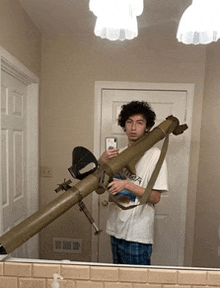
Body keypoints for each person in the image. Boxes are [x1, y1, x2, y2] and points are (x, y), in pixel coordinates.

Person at [99, 101, 168, 265]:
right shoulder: (119, 153)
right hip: (116, 229)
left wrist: (127, 185)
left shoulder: (155, 155)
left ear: (147, 127)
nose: (133, 128)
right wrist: (101, 162)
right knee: (119, 278)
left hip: (137, 234)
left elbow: (155, 197)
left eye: (139, 123)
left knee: (137, 281)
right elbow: (99, 188)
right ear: (124, 125)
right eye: (129, 122)